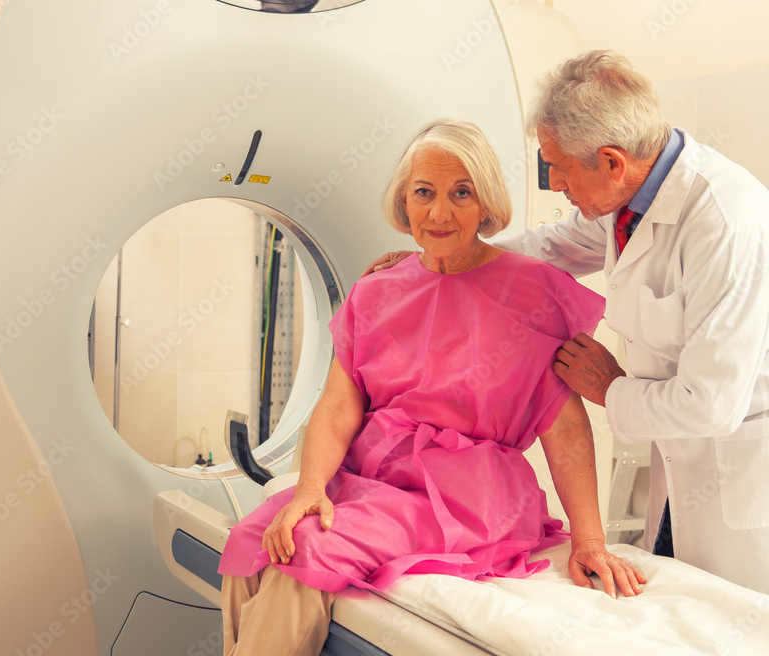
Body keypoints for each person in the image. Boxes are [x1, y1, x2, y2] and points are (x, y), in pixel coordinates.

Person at [217, 119, 645, 656]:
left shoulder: (533, 292)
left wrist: (590, 541)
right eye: (424, 193)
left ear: (485, 204)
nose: (440, 212)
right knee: (254, 540)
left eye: (461, 193)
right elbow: (335, 408)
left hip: (466, 494)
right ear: (404, 201)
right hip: (374, 479)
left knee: (307, 548)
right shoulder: (377, 290)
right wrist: (308, 491)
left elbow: (564, 428)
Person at [366, 51, 769, 595]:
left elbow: (712, 404)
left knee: (733, 622)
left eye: (556, 166)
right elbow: (544, 246)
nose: (554, 183)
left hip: (738, 467)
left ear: (611, 162)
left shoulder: (724, 223)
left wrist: (611, 389)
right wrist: (435, 256)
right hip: (680, 464)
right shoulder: (628, 201)